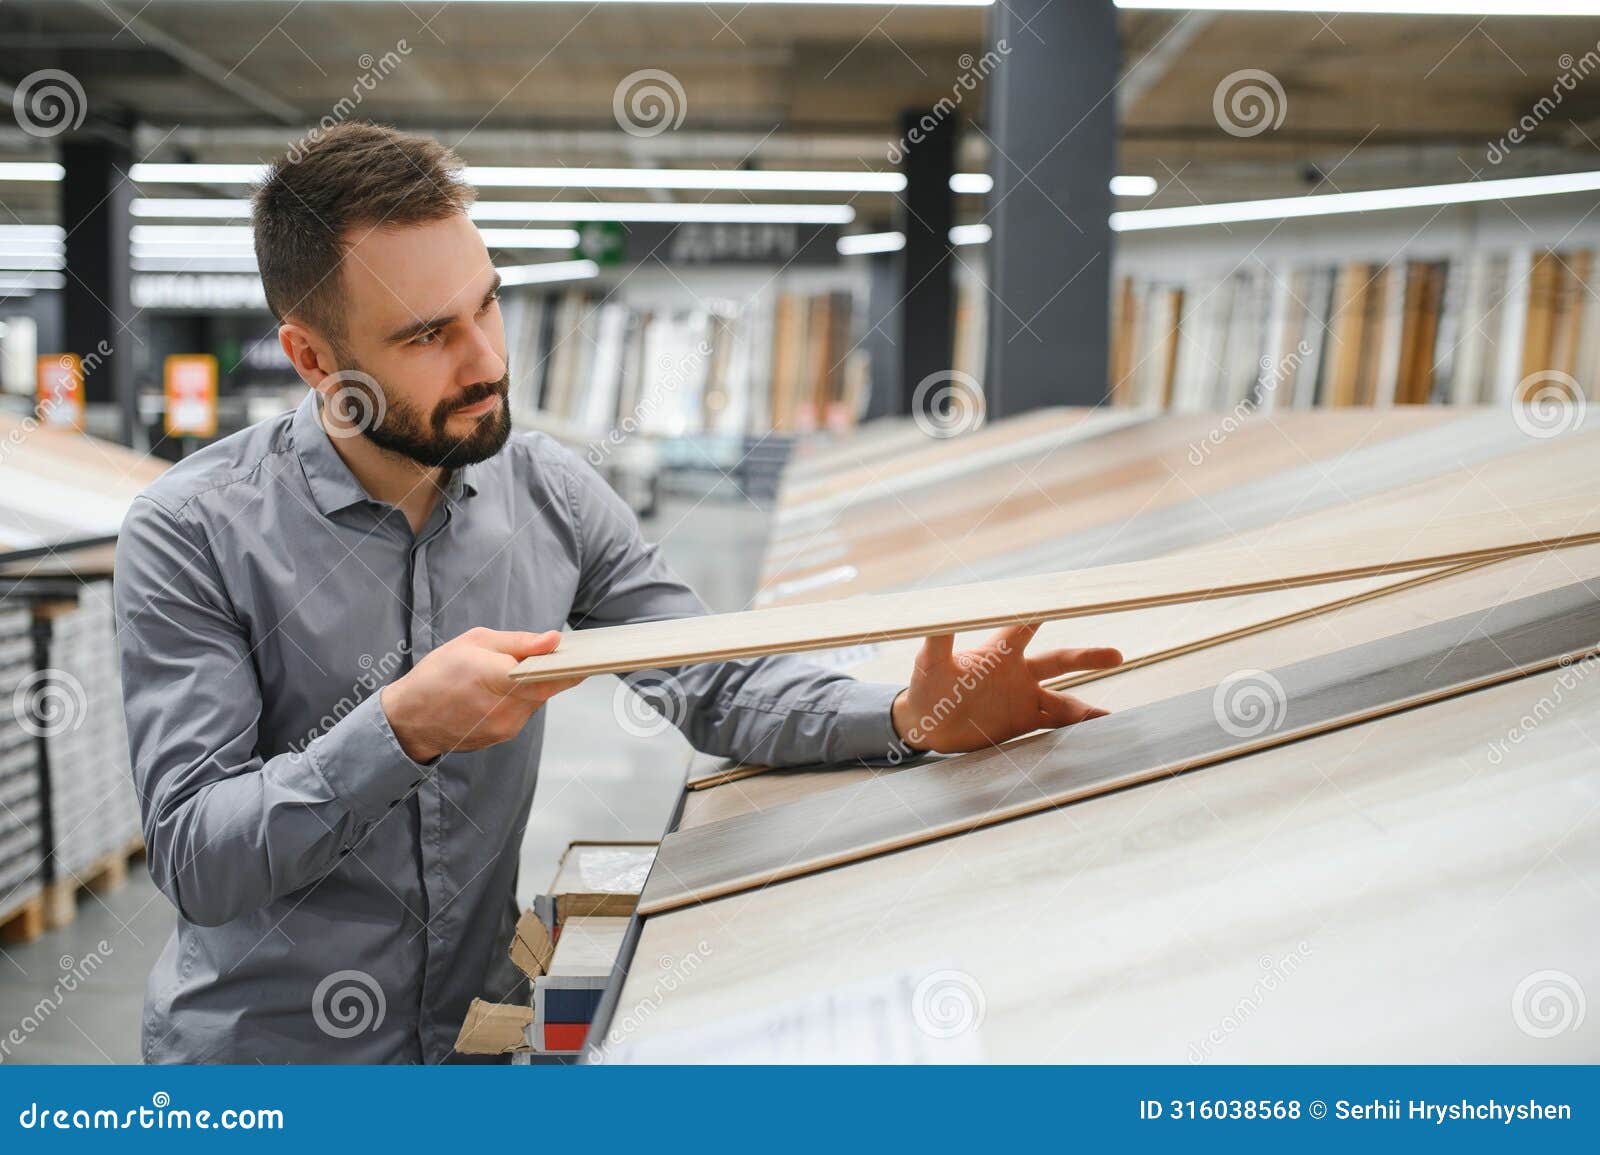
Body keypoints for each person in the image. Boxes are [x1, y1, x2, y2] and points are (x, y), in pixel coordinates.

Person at [114, 121, 1122, 1063]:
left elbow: (712, 685)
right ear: (312, 358)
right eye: (427, 337)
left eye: (488, 304)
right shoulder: (193, 532)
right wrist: (400, 727)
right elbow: (200, 857)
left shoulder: (547, 492)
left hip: (472, 1043)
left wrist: (909, 716)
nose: (487, 362)